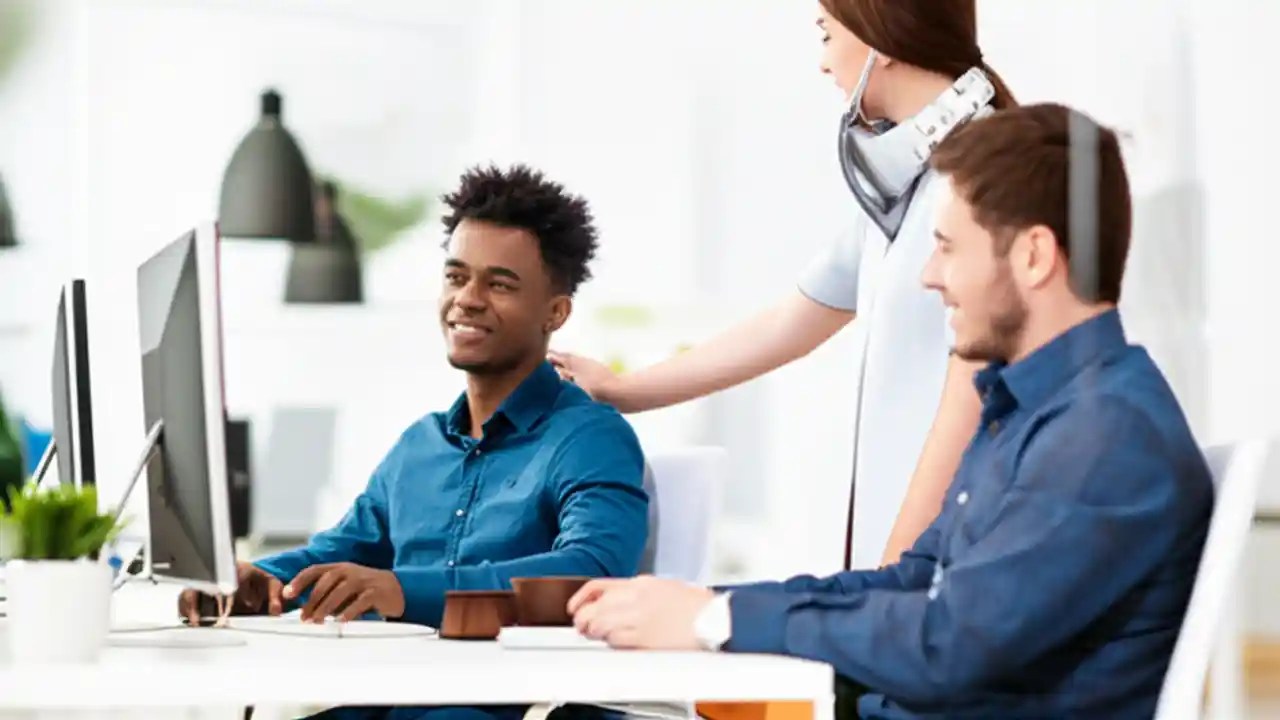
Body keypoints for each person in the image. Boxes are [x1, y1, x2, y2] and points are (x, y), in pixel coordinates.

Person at [566, 103, 1214, 719]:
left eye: (949, 247)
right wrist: (708, 605)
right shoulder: (1033, 412)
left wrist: (716, 623)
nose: (930, 276)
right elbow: (912, 582)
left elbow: (949, 643)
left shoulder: (1103, 437)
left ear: (1034, 256)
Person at [550, 0, 1018, 569]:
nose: (822, 64)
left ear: (884, 38)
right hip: (903, 565)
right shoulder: (904, 190)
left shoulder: (985, 179)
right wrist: (624, 390)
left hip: (940, 557)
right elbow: (789, 323)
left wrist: (896, 572)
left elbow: (970, 390)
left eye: (826, 35)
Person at [179, 165, 649, 714]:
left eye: (499, 284)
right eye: (456, 277)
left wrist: (404, 590)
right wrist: (266, 580)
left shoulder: (589, 437)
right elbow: (340, 552)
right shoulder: (419, 446)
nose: (467, 299)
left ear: (556, 311)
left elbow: (592, 571)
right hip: (378, 699)